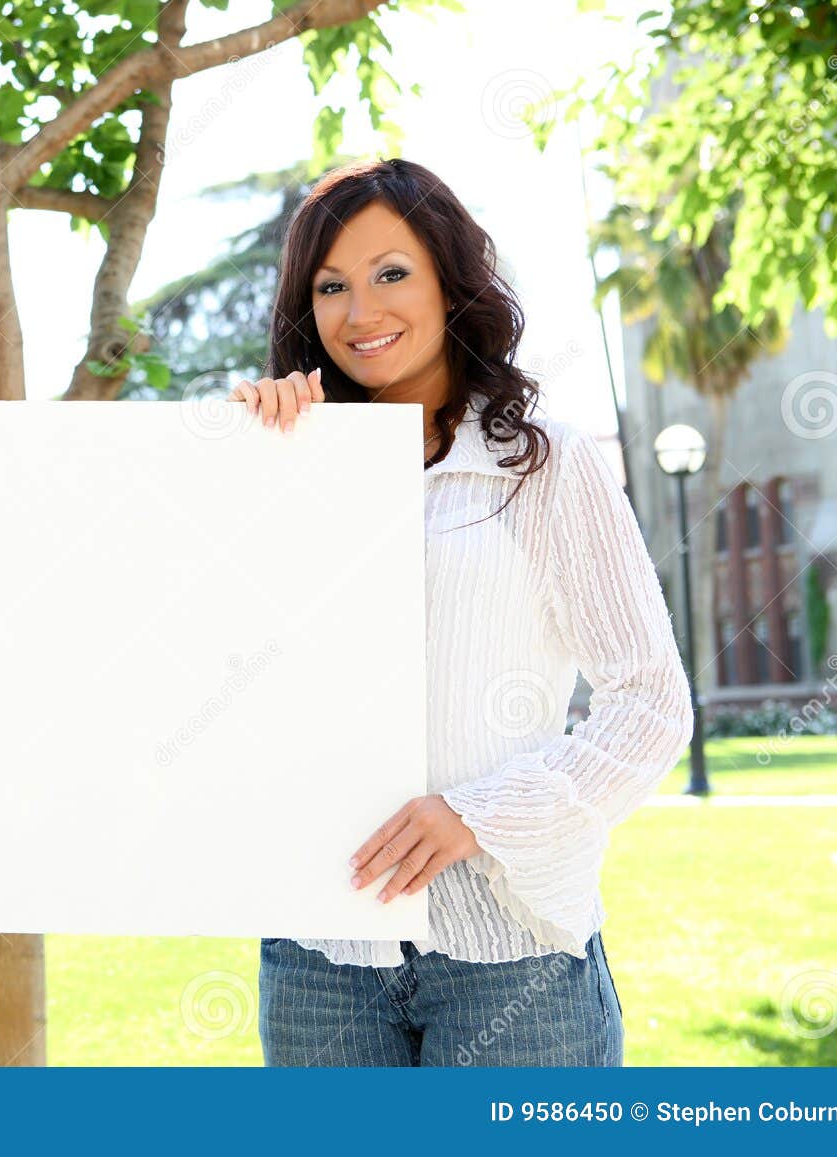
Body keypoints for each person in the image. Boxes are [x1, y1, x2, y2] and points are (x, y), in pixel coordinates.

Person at [232, 158, 694, 1067]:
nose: (361, 313)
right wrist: (252, 469)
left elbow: (651, 703)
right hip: (319, 954)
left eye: (391, 273)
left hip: (511, 955)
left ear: (451, 279)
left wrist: (475, 814)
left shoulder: (543, 462)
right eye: (332, 287)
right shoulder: (287, 471)